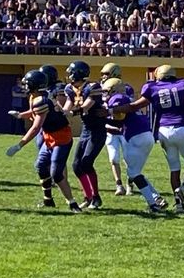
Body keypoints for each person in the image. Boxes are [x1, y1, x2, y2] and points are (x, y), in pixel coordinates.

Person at [127, 65, 184, 214]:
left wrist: (113, 110)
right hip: (182, 128)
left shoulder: (152, 87)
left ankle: (179, 205)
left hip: (164, 130)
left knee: (174, 169)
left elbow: (135, 105)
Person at [6, 69, 81, 213]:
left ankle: (72, 203)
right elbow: (37, 113)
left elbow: (36, 127)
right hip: (50, 136)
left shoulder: (41, 100)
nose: (25, 86)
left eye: (27, 84)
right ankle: (48, 200)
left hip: (61, 138)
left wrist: (19, 145)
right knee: (40, 166)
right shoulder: (41, 97)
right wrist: (21, 115)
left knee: (56, 173)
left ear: (34, 85)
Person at [104, 77, 167, 213]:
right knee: (135, 172)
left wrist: (103, 117)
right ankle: (156, 198)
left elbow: (118, 120)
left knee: (133, 173)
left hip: (137, 137)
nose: (105, 94)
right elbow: (120, 121)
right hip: (145, 135)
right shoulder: (125, 98)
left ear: (114, 90)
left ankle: (153, 205)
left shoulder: (118, 99)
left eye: (107, 91)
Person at [65, 61, 106, 209]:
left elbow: (85, 106)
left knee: (87, 162)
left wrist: (71, 112)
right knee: (76, 165)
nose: (69, 76)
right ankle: (88, 196)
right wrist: (61, 112)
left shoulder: (93, 87)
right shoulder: (70, 89)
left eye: (71, 72)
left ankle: (96, 197)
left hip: (97, 129)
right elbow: (68, 106)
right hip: (86, 129)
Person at [98, 63, 127, 194]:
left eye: (106, 74)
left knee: (128, 159)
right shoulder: (99, 88)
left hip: (125, 129)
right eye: (103, 74)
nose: (104, 77)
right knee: (114, 159)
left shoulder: (125, 88)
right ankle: (119, 185)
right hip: (109, 128)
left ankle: (130, 183)